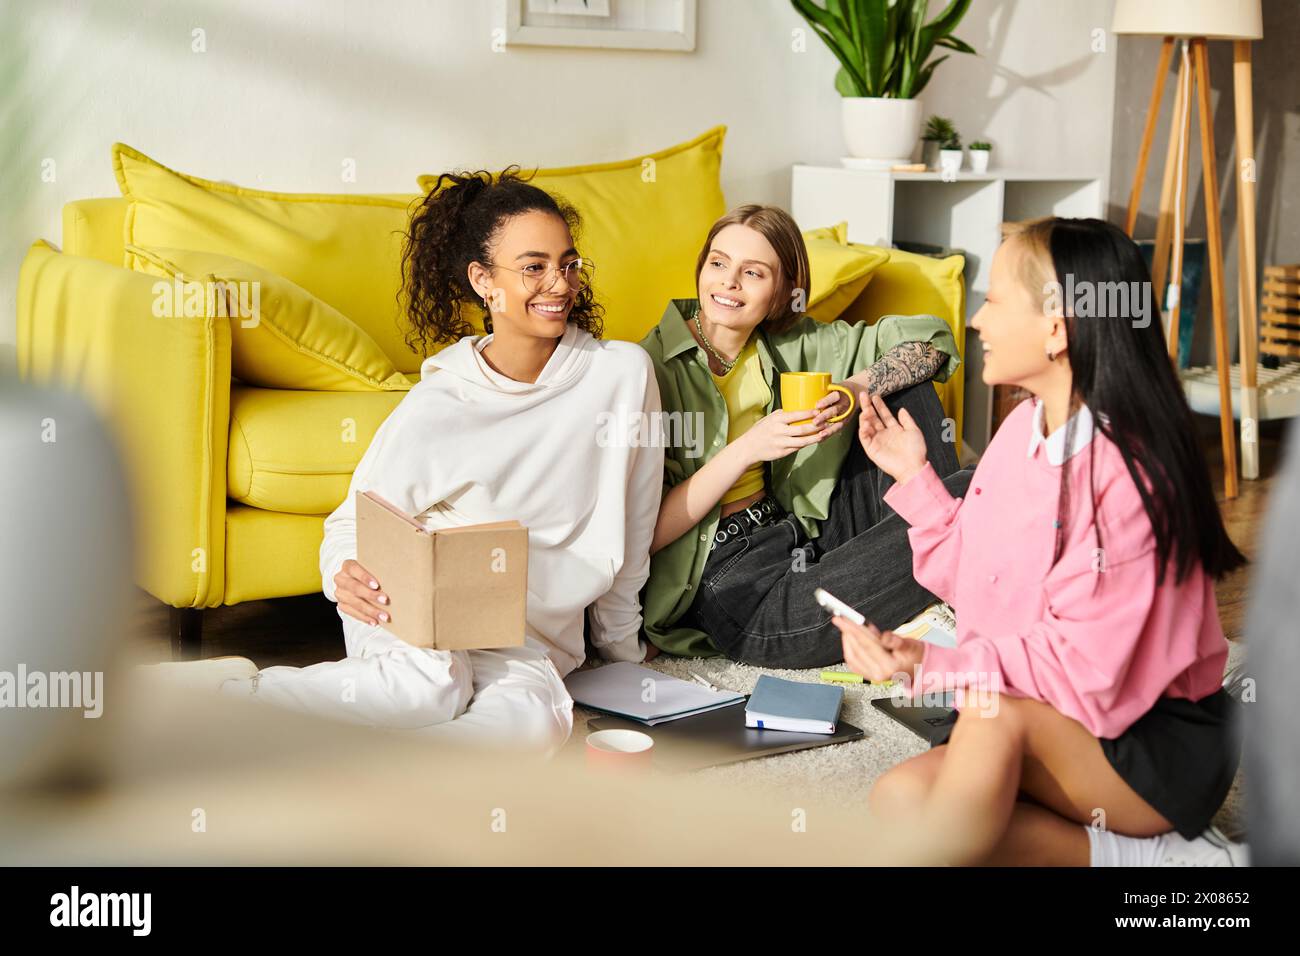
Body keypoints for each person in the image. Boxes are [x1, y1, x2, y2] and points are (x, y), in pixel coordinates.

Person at [146, 168, 663, 756]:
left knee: (533, 726)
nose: (558, 283)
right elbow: (352, 520)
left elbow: (632, 524)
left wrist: (623, 651)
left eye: (568, 264)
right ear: (484, 282)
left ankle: (378, 777)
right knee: (429, 690)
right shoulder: (441, 403)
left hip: (525, 640)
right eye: (533, 266)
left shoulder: (621, 375)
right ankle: (219, 700)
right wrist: (344, 571)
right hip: (416, 608)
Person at [838, 216, 1247, 865]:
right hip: (1052, 712)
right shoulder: (1023, 428)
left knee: (992, 715)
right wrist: (915, 476)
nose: (977, 320)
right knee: (902, 801)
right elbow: (975, 585)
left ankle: (1165, 838)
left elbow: (1085, 672)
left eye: (995, 299)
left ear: (1057, 330)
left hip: (1144, 741)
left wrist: (932, 665)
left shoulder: (1130, 474)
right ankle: (1163, 863)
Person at [640, 203, 967, 668]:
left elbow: (931, 340)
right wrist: (748, 448)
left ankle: (937, 590)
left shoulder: (788, 343)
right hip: (740, 587)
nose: (728, 283)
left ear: (782, 292)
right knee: (972, 493)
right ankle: (944, 587)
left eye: (753, 273)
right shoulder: (646, 368)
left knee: (899, 387)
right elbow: (638, 534)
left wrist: (855, 389)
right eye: (717, 263)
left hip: (807, 539)